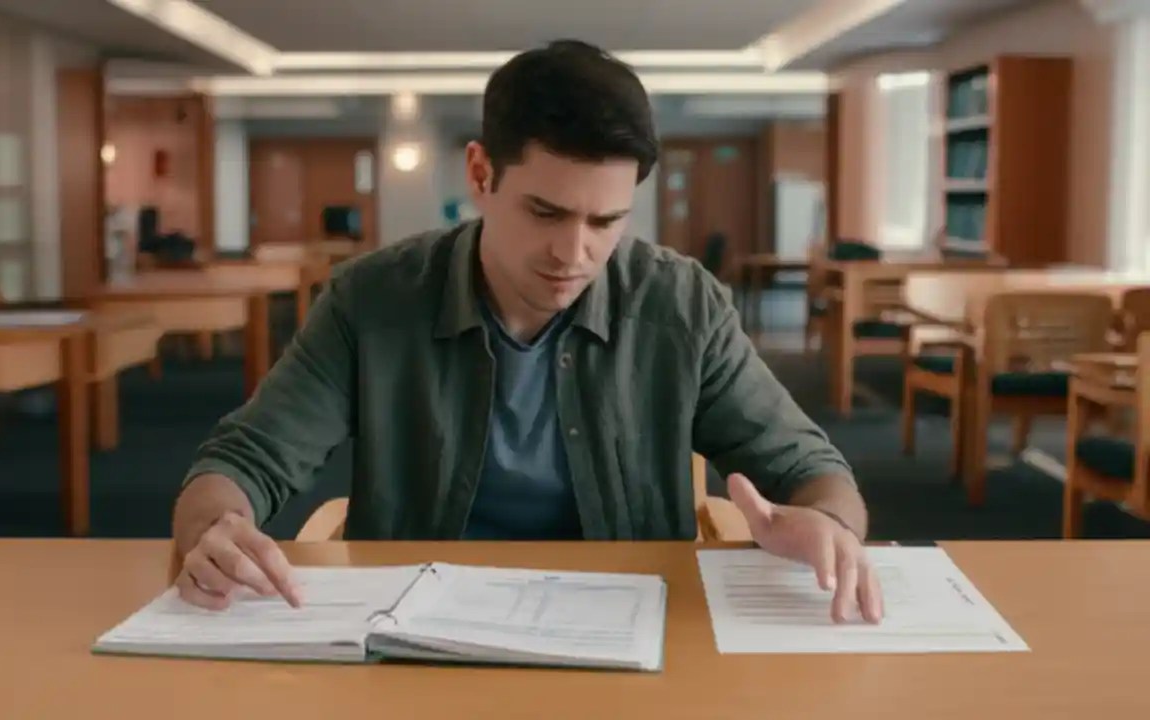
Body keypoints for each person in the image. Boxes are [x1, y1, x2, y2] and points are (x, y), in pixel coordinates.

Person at [171, 40, 883, 624]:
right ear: (480, 174)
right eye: (545, 213)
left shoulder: (681, 304)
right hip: (418, 625)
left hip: (627, 626)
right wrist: (213, 529)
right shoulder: (373, 299)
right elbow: (245, 460)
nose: (574, 255)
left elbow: (814, 471)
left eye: (606, 222)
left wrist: (830, 527)